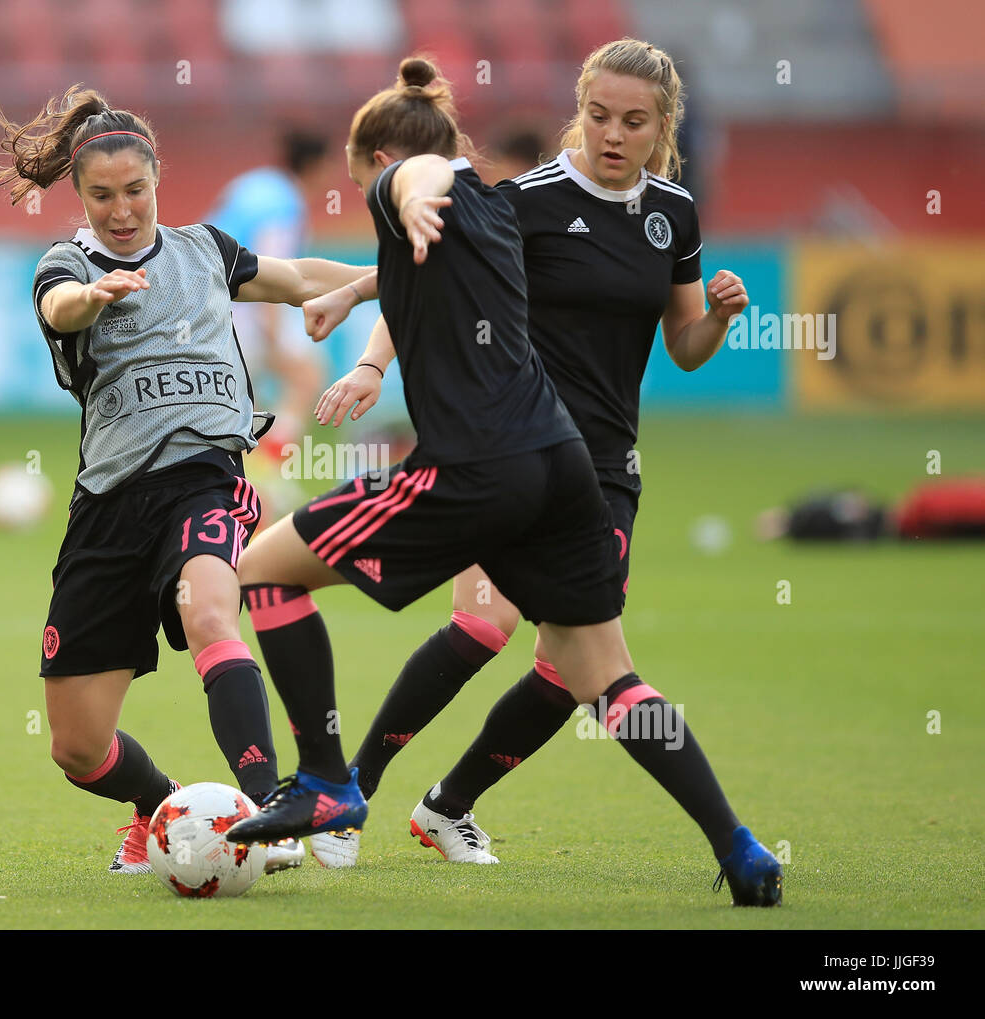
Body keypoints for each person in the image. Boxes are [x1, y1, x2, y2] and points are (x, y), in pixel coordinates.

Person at [224, 56, 781, 907]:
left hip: (504, 462)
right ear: (579, 113)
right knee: (599, 672)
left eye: (634, 121)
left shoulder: (659, 215)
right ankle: (740, 847)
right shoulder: (515, 197)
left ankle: (335, 783)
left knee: (263, 568)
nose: (612, 133)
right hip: (556, 459)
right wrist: (368, 335)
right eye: (599, 114)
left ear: (661, 128)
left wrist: (402, 196)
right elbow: (432, 249)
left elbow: (415, 183)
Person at [0, 84, 371, 876]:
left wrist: (380, 276)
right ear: (80, 195)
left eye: (135, 191)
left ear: (157, 181)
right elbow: (60, 309)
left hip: (204, 475)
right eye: (101, 196)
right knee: (78, 745)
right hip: (109, 504)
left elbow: (297, 277)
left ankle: (275, 811)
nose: (121, 209)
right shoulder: (66, 265)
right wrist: (93, 294)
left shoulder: (205, 251)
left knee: (210, 610)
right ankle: (157, 806)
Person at [204, 129, 330, 462]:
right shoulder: (285, 203)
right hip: (239, 308)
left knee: (242, 406)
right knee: (308, 373)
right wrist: (273, 333)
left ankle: (260, 471)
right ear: (316, 166)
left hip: (204, 301)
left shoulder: (254, 184)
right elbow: (265, 268)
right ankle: (275, 454)